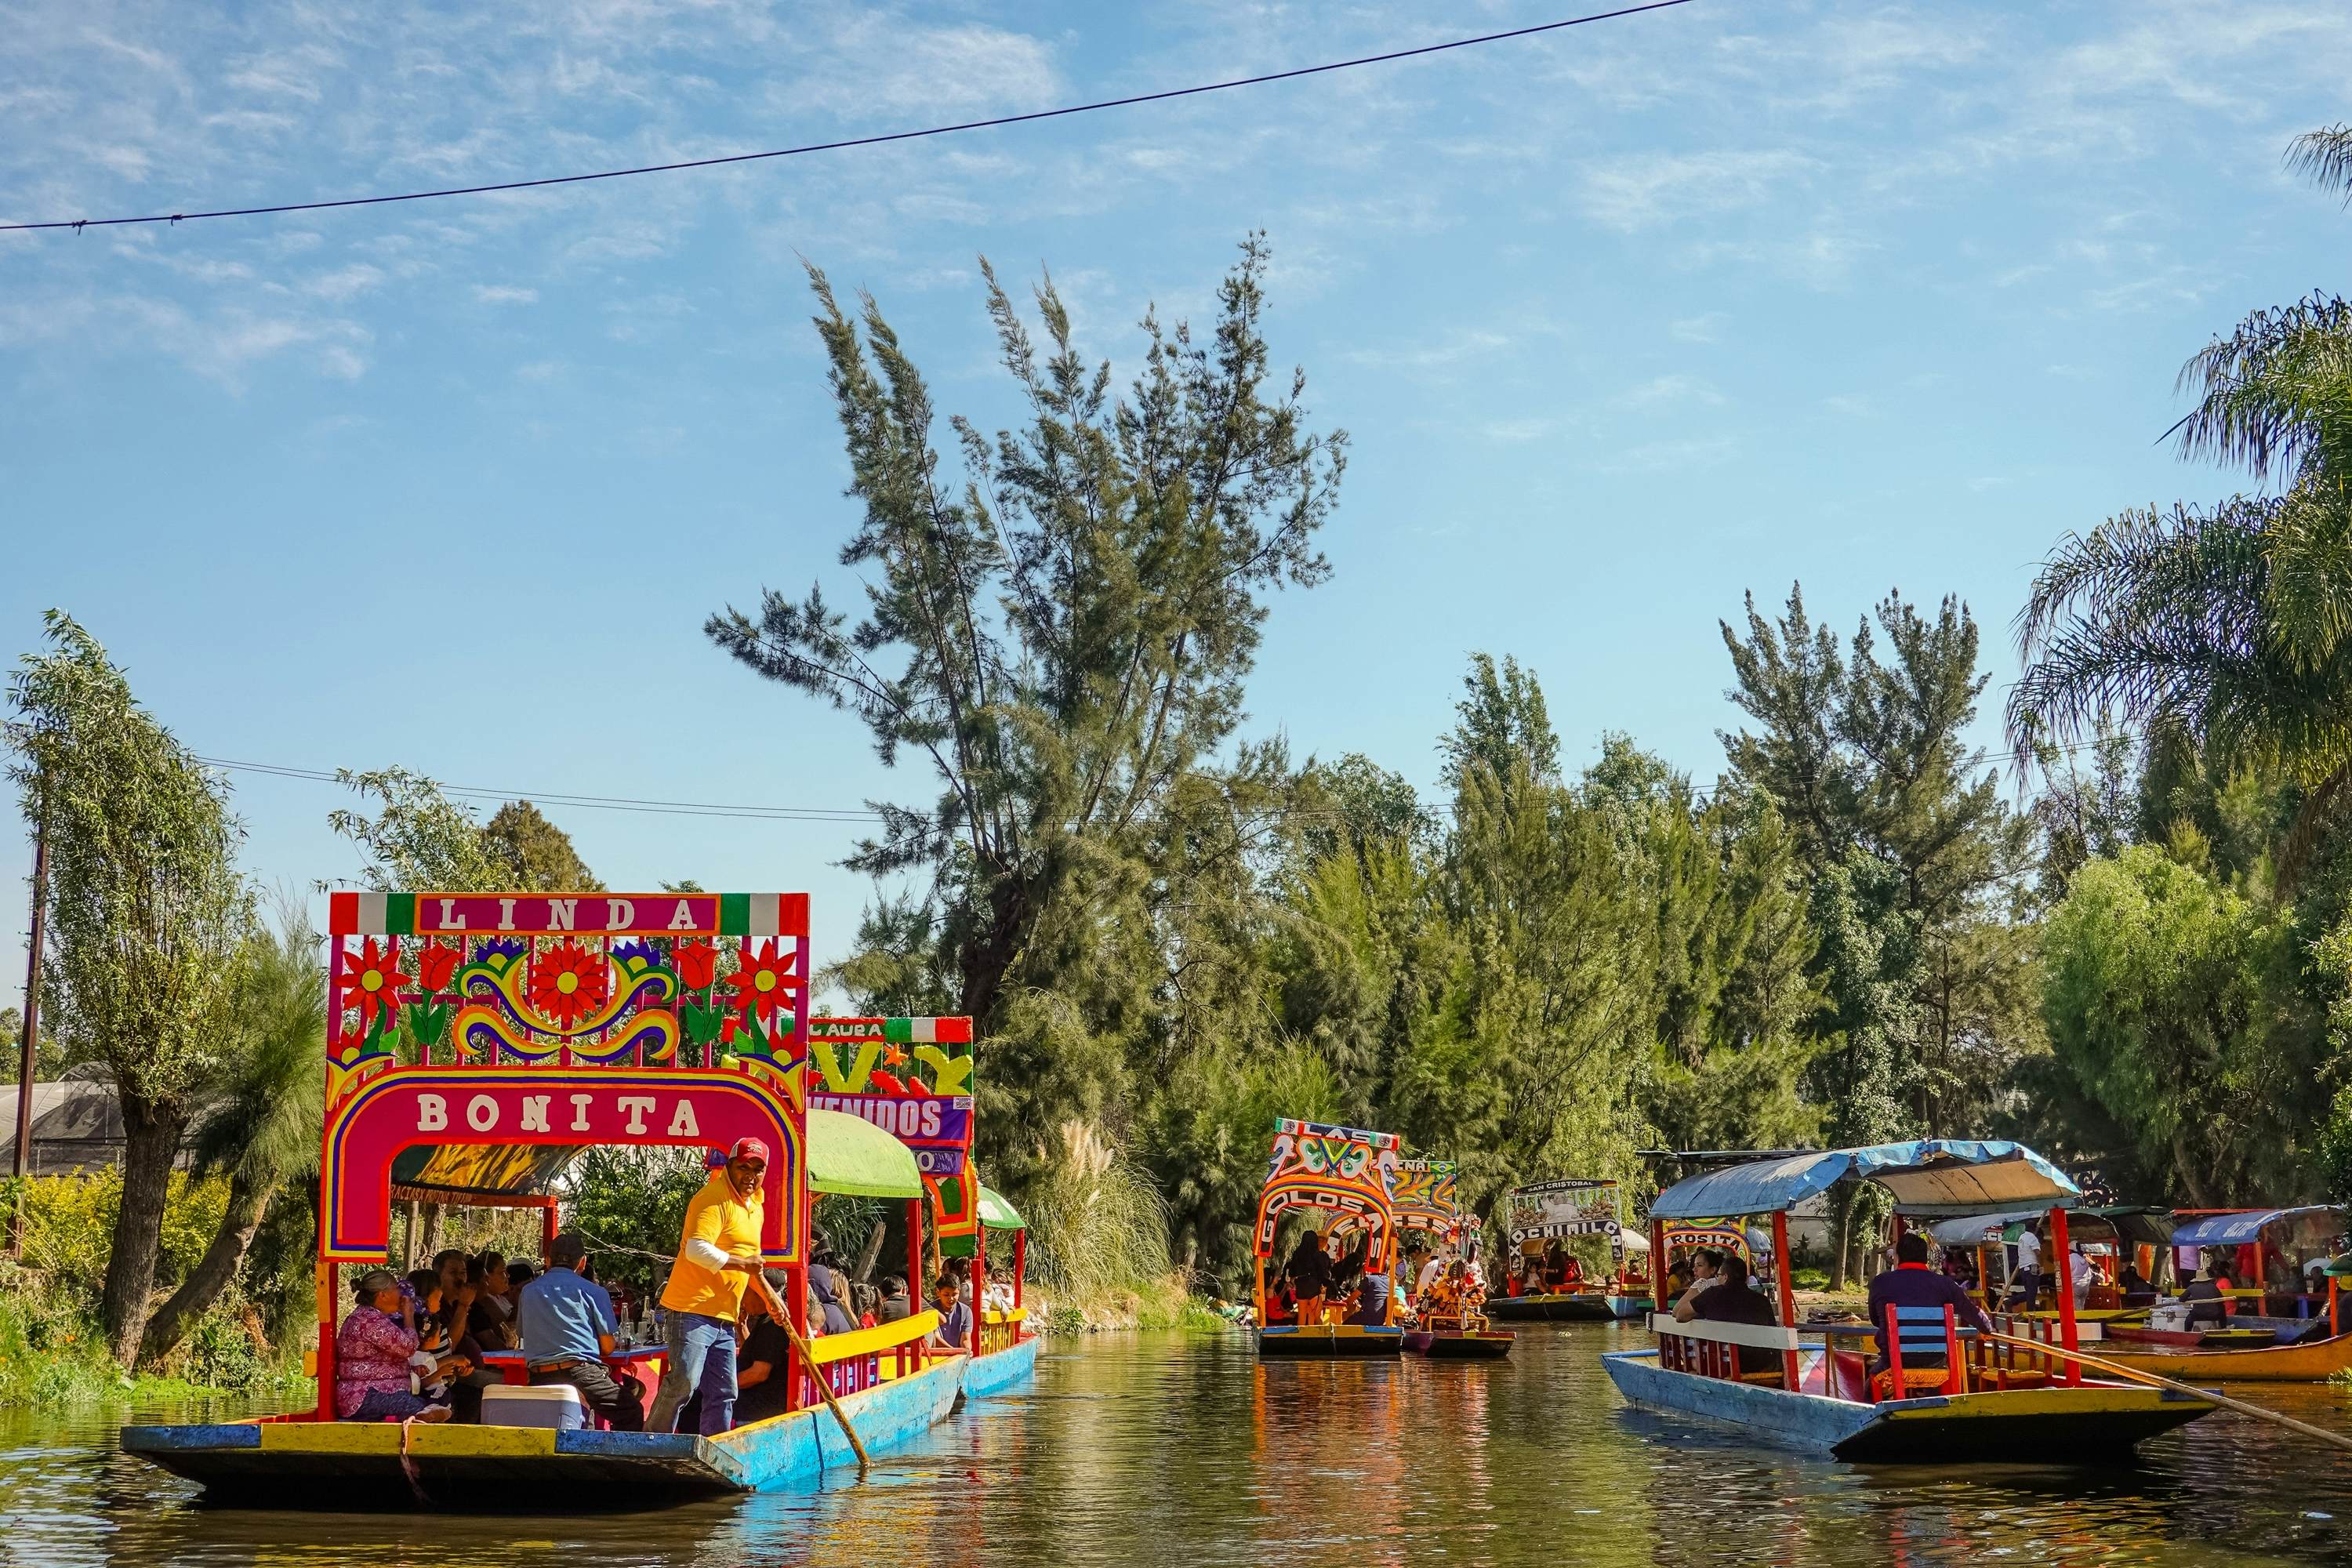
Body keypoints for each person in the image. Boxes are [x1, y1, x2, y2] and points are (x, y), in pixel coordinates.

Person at [647, 1137, 771, 1437]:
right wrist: (743, 1265)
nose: (751, 1175)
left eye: (758, 1168)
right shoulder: (713, 1198)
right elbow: (696, 1249)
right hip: (691, 1309)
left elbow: (752, 1264)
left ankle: (715, 1447)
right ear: (729, 1166)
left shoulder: (755, 1206)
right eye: (744, 1167)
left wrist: (771, 1300)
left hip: (724, 1316)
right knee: (684, 1383)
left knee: (725, 1390)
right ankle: (652, 1441)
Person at [517, 1231, 644, 1431]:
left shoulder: (528, 1291)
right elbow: (608, 1347)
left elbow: (523, 1334)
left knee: (592, 1409)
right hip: (580, 1373)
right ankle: (619, 1462)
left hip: (539, 1377)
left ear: (548, 1260)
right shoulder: (594, 1291)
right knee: (631, 1411)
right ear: (583, 1262)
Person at [336, 1269, 455, 1422]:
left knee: (423, 1405)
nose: (401, 1293)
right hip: (364, 1396)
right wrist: (408, 1314)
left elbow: (379, 1361)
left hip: (367, 1393)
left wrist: (411, 1370)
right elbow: (409, 1347)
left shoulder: (368, 1316)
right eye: (396, 1288)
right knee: (416, 1407)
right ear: (382, 1295)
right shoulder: (370, 1321)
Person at [1867, 1232, 1991, 1374]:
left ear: (1898, 1257)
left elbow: (1875, 1320)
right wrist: (1987, 1327)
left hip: (1892, 1362)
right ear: (1925, 1258)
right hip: (1934, 1361)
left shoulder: (1881, 1282)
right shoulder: (1946, 1284)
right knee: (1935, 1374)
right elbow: (1972, 1313)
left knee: (1871, 1384)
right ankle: (1935, 1396)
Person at [1677, 1254, 1782, 1376]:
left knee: (1690, 1356)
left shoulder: (1712, 1294)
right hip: (1761, 1363)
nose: (1717, 1279)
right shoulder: (1762, 1300)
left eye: (1718, 1276)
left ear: (1725, 1277)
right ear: (1746, 1279)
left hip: (1725, 1364)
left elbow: (1680, 1315)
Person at [1284, 1232, 1333, 1326]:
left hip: (1301, 1286)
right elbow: (1322, 1273)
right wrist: (1326, 1284)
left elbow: (1291, 1273)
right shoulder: (1317, 1254)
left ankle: (1301, 1339)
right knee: (1318, 1315)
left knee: (1302, 1317)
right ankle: (1321, 1338)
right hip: (1313, 1286)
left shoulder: (1297, 1253)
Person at [927, 1274, 973, 1352]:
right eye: (946, 1295)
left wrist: (966, 1350)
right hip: (937, 1355)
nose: (951, 1299)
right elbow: (936, 1339)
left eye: (954, 1294)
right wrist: (954, 1352)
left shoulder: (966, 1311)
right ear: (938, 1292)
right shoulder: (930, 1309)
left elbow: (965, 1339)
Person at [2183, 1258, 2235, 1327]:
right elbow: (2220, 1298)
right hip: (2215, 1312)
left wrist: (2192, 1299)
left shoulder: (2192, 1287)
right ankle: (2223, 1327)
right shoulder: (2213, 1286)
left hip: (2202, 1313)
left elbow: (2181, 1299)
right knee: (2220, 1309)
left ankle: (2188, 1333)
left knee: (2189, 1318)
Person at [2011, 1223, 2043, 1308]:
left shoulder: (2021, 1238)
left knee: (2029, 1291)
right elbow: (2038, 1253)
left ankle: (2013, 1301)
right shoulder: (2032, 1237)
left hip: (2023, 1268)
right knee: (2032, 1292)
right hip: (2032, 1266)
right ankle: (2029, 1313)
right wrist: (2041, 1266)